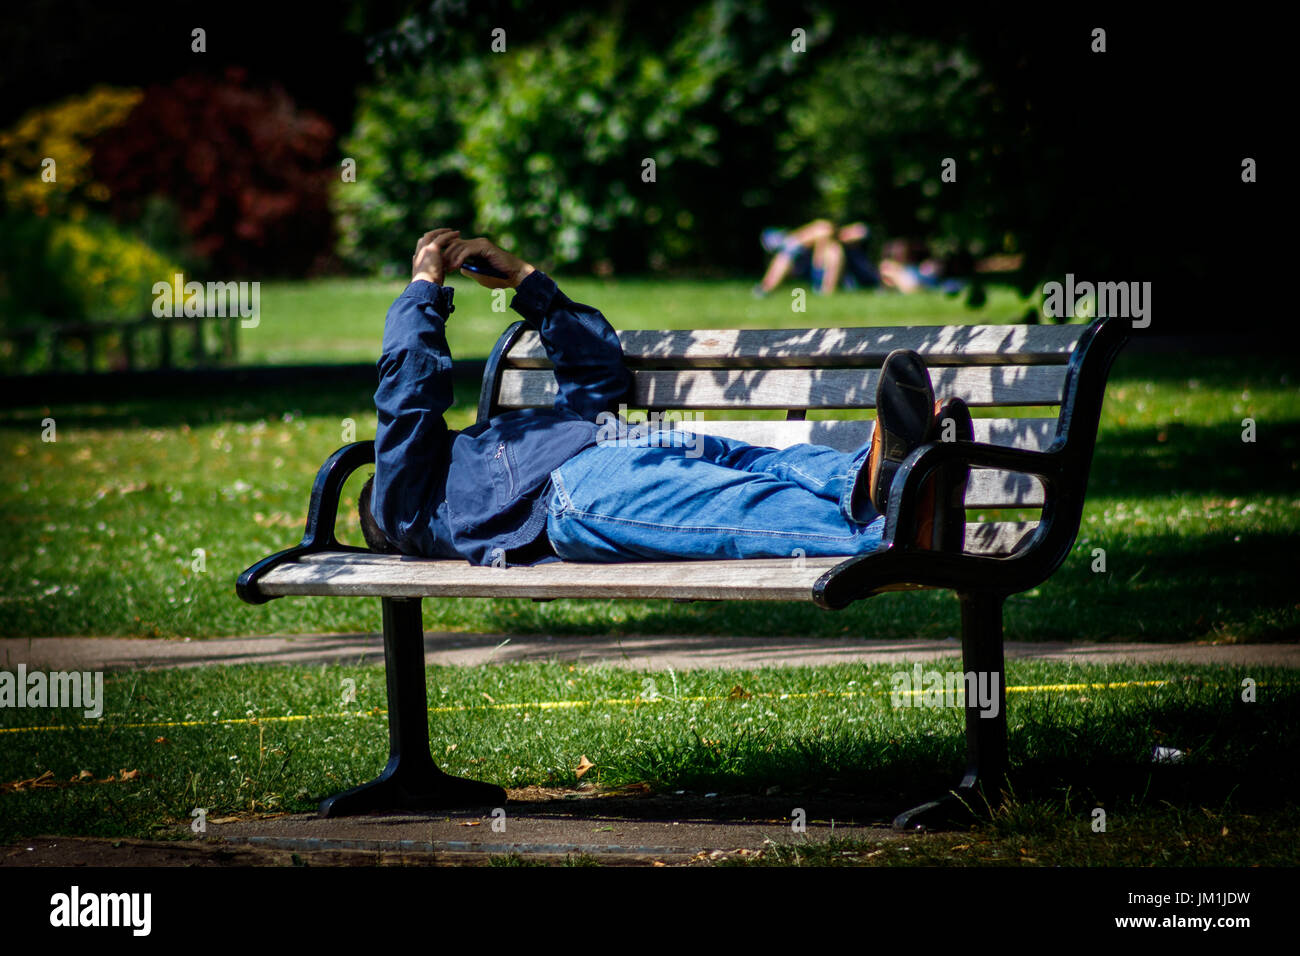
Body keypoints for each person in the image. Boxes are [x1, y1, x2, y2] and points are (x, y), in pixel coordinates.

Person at [362, 229, 971, 567]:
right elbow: (407, 399)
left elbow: (598, 384)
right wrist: (423, 287)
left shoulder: (483, 448)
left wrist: (528, 282)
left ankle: (895, 477)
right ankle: (894, 536)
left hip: (621, 444)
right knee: (738, 507)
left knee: (768, 465)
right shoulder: (406, 510)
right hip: (574, 494)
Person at [756, 219, 880, 296]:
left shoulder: (850, 253)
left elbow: (861, 233)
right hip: (817, 268)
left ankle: (789, 240)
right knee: (821, 231)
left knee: (826, 236)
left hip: (840, 280)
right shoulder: (827, 243)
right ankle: (764, 290)